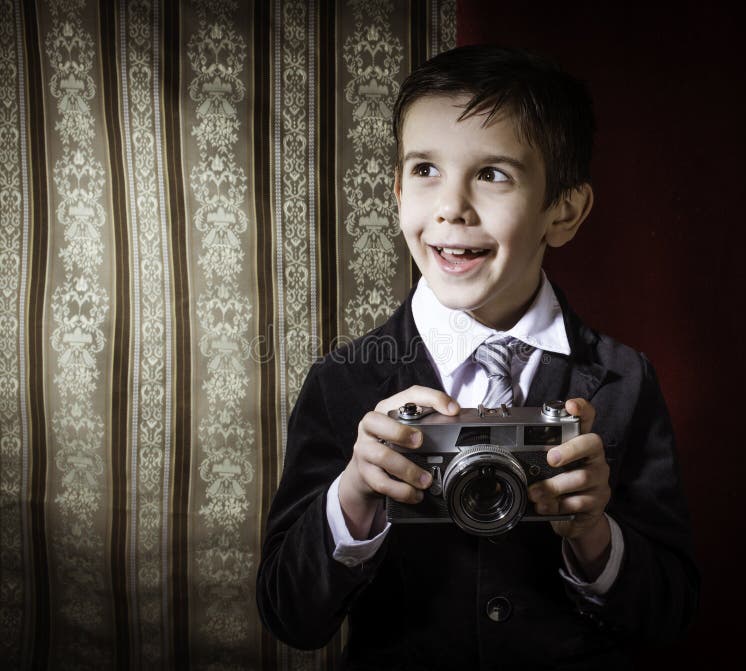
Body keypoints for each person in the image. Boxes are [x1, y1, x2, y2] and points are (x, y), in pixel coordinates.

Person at [257, 45, 699, 670]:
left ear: (564, 211)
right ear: (396, 190)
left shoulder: (624, 381)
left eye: (493, 174)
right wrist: (354, 494)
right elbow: (289, 616)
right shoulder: (344, 382)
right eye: (424, 170)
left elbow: (671, 614)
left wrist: (595, 535)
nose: (450, 207)